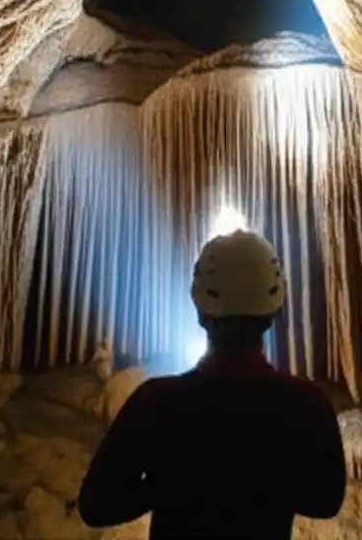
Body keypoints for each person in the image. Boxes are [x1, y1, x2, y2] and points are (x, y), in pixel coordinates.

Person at [78, 229, 347, 539]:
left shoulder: (156, 403)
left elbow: (96, 505)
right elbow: (325, 502)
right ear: (273, 313)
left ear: (200, 312)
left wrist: (163, 486)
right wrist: (268, 483)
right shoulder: (307, 403)